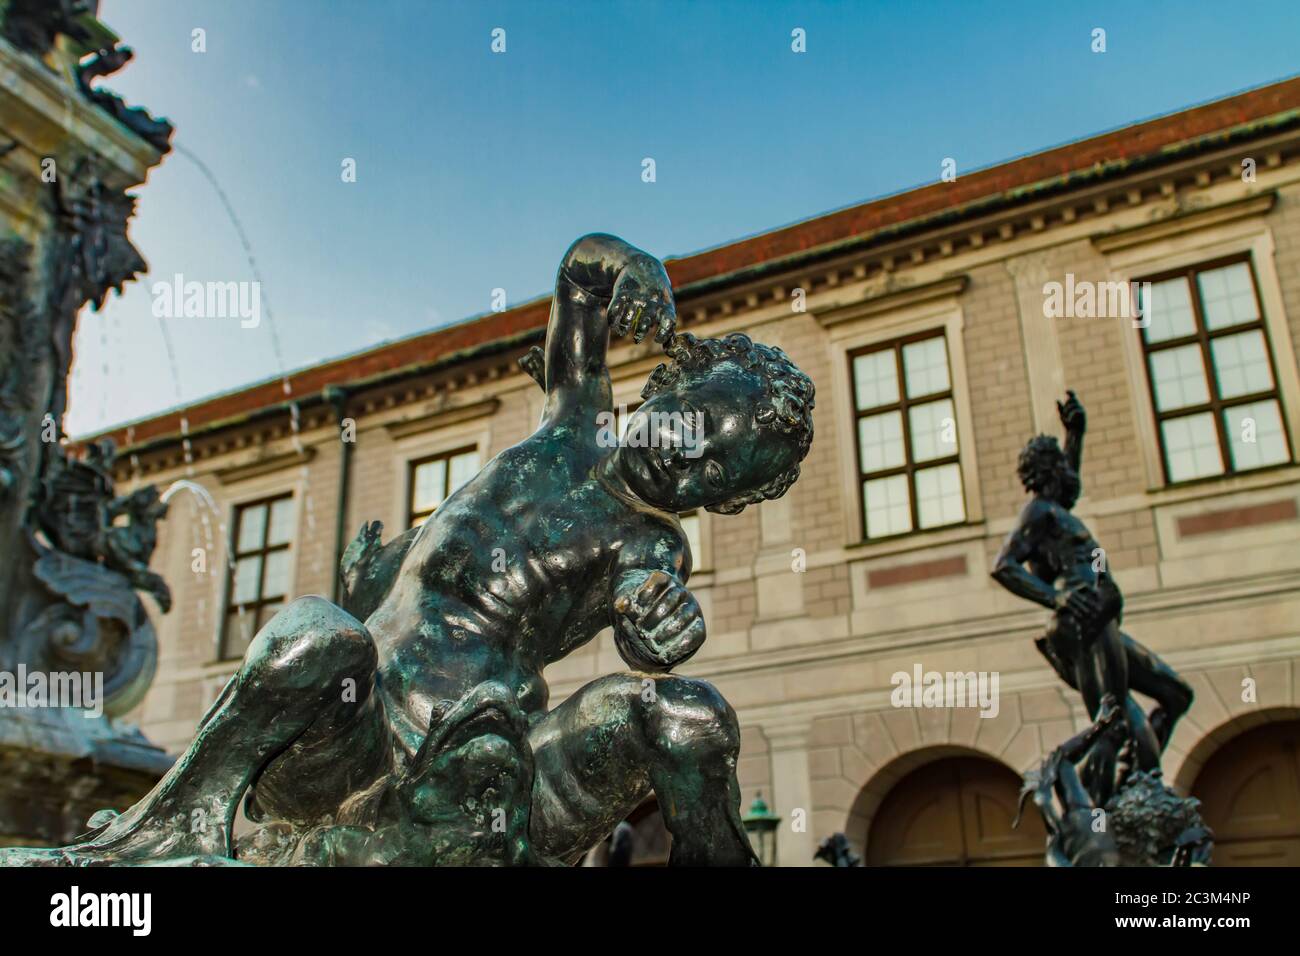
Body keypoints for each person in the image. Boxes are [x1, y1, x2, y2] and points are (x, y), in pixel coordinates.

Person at [4, 234, 815, 867]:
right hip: (349, 732)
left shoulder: (654, 544)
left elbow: (647, 623)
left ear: (722, 498)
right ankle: (166, 831)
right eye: (696, 428)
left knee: (686, 716)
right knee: (319, 636)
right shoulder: (575, 415)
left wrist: (660, 628)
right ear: (669, 389)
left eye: (714, 474)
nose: (687, 460)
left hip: (483, 760)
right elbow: (580, 277)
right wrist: (631, 263)